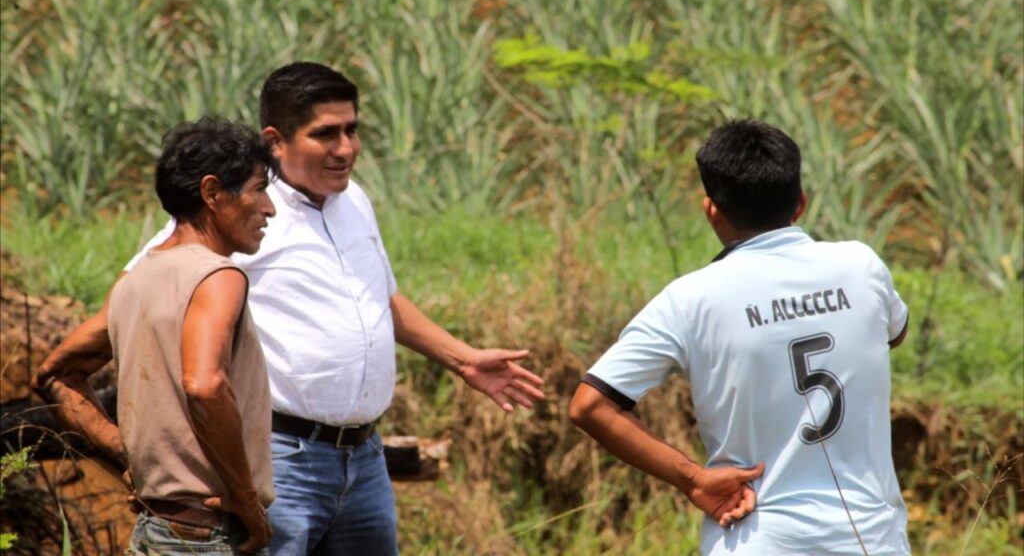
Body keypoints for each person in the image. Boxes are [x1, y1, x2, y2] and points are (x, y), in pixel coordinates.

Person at [123, 62, 546, 555]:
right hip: (282, 459)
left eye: (352, 130)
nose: (345, 149)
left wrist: (463, 359)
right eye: (325, 134)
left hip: (365, 460)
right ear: (275, 140)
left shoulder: (355, 201)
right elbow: (144, 286)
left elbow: (380, 299)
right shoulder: (242, 213)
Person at [569, 119, 911, 555]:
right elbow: (893, 334)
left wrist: (693, 479)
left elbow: (590, 405)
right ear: (800, 203)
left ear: (711, 210)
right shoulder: (861, 266)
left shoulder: (691, 299)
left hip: (758, 539)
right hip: (872, 540)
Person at [33, 117, 279, 554]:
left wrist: (128, 451)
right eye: (259, 189)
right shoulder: (219, 276)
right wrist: (245, 502)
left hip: (157, 529)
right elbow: (204, 386)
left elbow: (57, 374)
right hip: (206, 535)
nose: (269, 208)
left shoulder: (137, 277)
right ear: (212, 192)